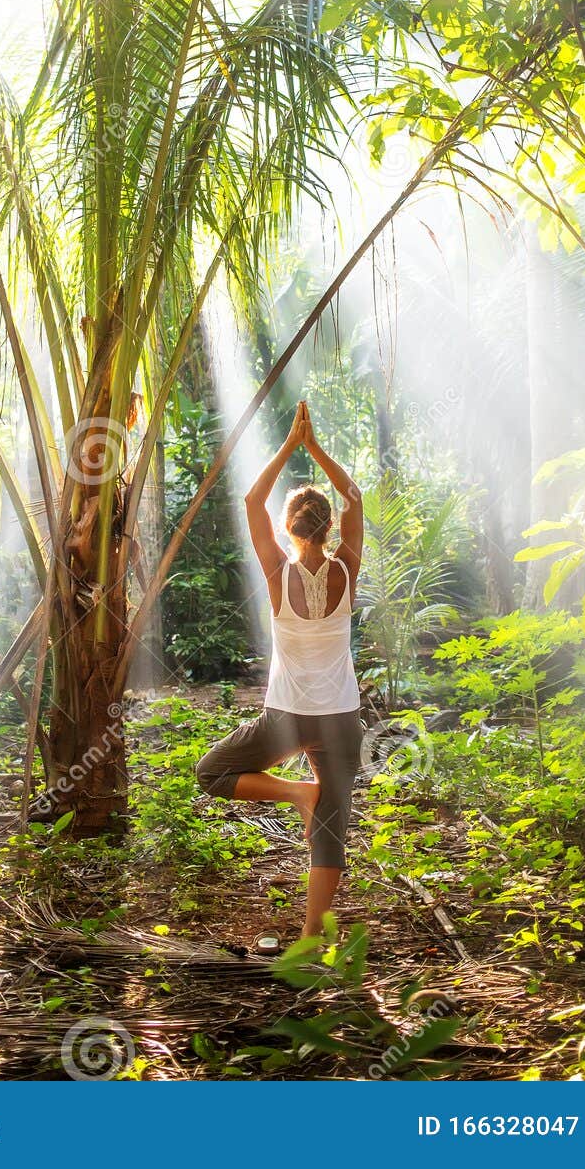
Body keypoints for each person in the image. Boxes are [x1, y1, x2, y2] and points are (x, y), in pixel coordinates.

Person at [195, 401, 364, 941]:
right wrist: (316, 448)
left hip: (286, 716)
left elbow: (252, 500)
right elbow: (355, 496)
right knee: (332, 829)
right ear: (329, 526)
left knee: (210, 772)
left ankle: (297, 793)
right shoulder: (346, 569)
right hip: (340, 717)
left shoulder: (275, 573)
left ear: (289, 528)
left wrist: (291, 445)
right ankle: (312, 937)